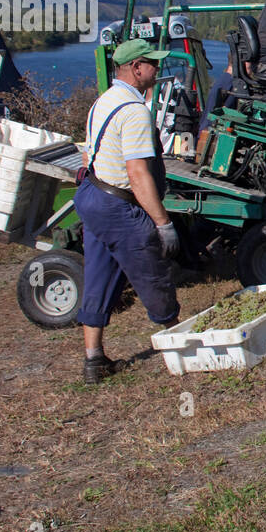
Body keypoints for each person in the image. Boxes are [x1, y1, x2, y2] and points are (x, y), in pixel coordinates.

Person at [75, 39, 182, 384]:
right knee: (152, 270)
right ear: (136, 68)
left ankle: (93, 359)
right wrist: (162, 222)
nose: (157, 69)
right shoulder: (135, 111)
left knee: (99, 273)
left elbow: (88, 152)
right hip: (117, 202)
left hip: (92, 193)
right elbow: (137, 174)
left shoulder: (103, 101)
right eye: (152, 63)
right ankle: (180, 344)